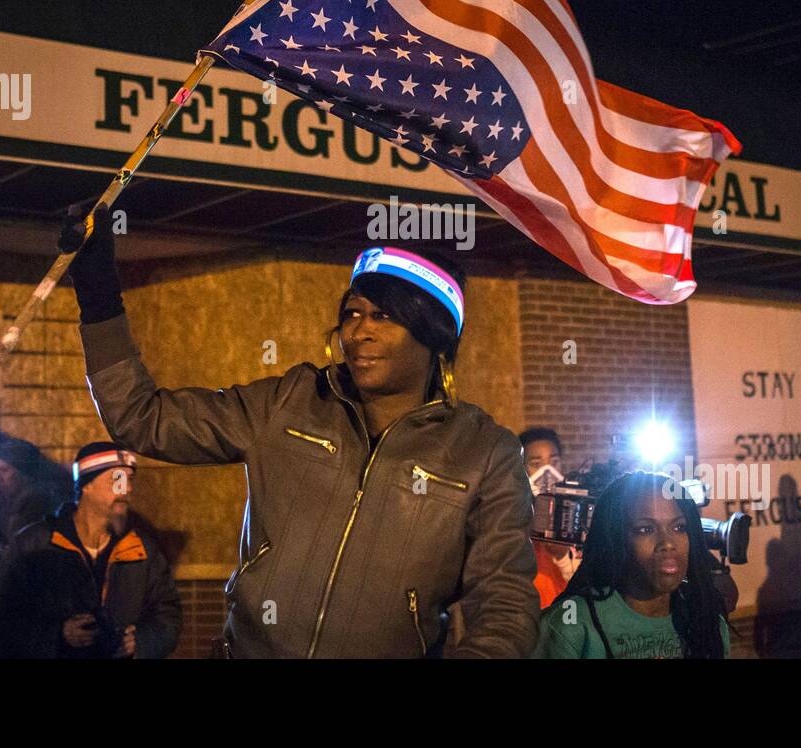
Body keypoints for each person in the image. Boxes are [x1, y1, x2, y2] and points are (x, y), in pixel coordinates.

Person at [62, 205, 538, 658]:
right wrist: (98, 290)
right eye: (352, 313)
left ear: (434, 334)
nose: (359, 332)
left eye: (384, 316)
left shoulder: (484, 453)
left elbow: (505, 608)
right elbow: (143, 419)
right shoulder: (290, 402)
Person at [0, 442, 181, 659]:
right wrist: (56, 634)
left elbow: (168, 614)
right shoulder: (34, 544)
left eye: (129, 480)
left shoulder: (142, 550)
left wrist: (142, 641)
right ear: (86, 485)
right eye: (117, 479)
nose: (127, 489)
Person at [534, 471, 730, 658]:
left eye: (679, 527)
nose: (668, 543)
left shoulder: (707, 622)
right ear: (615, 539)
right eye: (645, 529)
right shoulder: (570, 625)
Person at [519, 427, 578, 608]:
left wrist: (561, 557)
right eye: (536, 464)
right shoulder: (507, 516)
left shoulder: (577, 512)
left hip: (566, 617)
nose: (547, 472)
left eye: (554, 462)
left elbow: (590, 583)